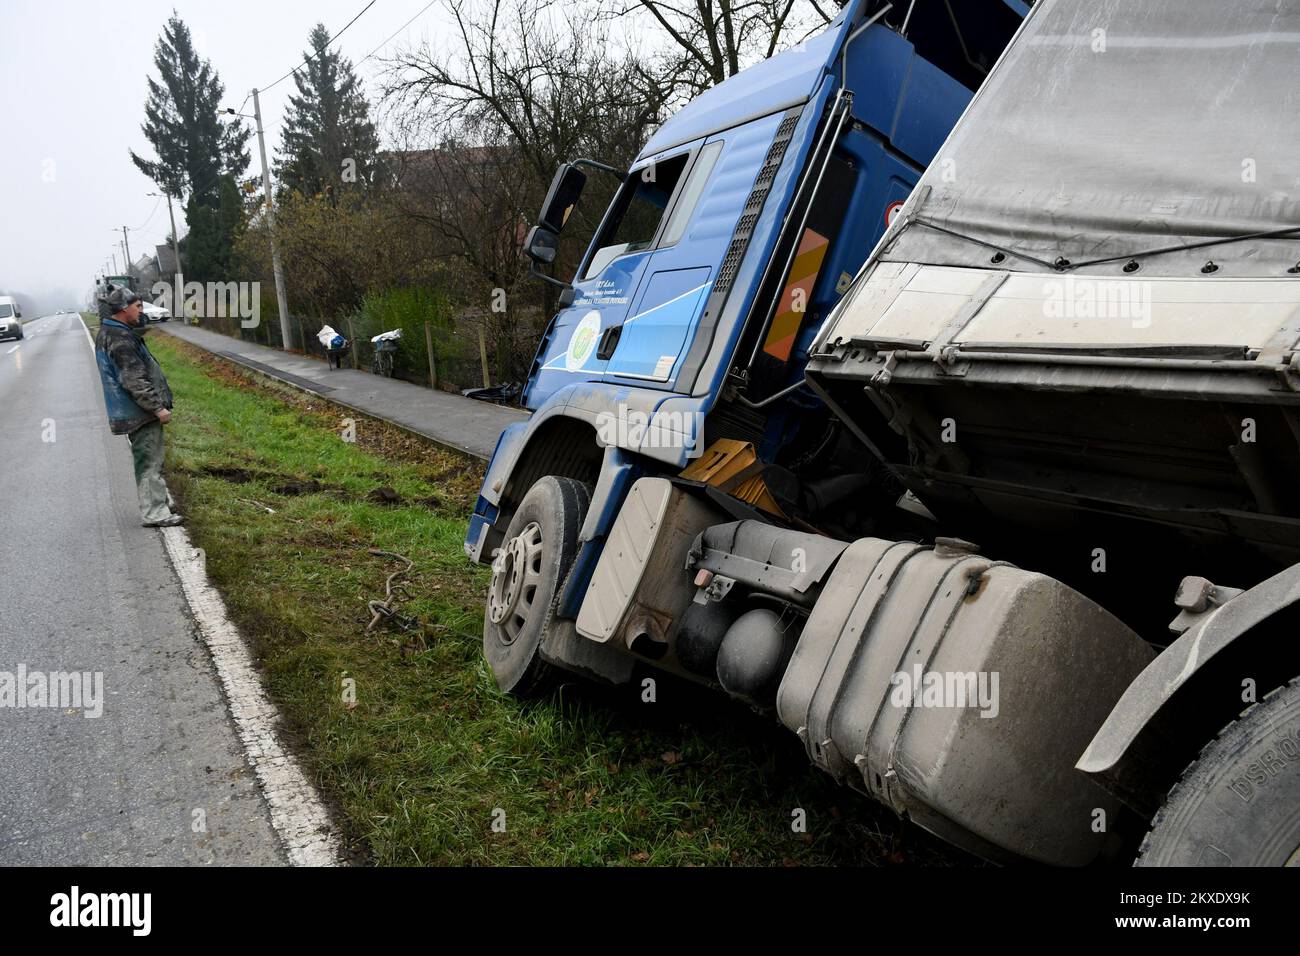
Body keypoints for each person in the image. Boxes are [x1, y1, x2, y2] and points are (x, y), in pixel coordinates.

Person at [94, 286, 182, 528]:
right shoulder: (120, 338)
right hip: (138, 412)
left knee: (152, 458)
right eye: (138, 306)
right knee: (149, 462)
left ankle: (159, 501)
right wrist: (157, 408)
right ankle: (155, 513)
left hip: (133, 410)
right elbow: (133, 380)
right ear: (124, 309)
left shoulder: (114, 331)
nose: (141, 311)